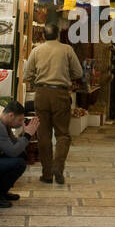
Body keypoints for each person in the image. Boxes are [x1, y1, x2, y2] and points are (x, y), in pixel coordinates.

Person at [22, 22, 83, 184]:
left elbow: (27, 75)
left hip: (41, 94)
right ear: (58, 35)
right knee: (63, 134)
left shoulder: (36, 50)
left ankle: (47, 174)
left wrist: (39, 79)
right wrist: (65, 73)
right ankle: (58, 165)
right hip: (61, 94)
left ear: (43, 36)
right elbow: (78, 72)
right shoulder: (67, 50)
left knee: (44, 134)